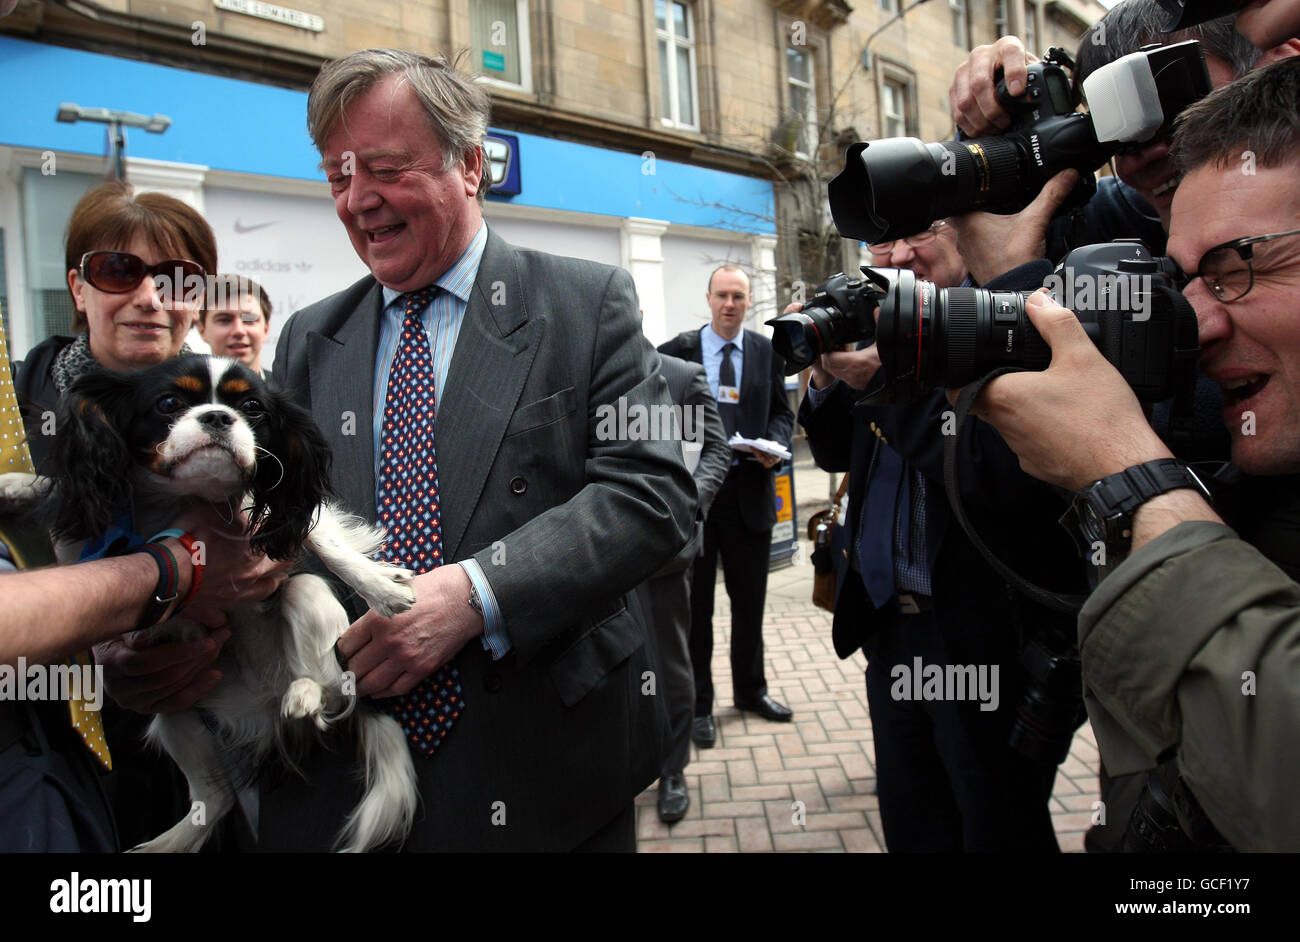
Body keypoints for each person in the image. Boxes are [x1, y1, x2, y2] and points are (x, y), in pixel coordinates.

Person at [261, 48, 694, 852]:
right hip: (352, 775)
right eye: (336, 176)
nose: (358, 201)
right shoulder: (308, 339)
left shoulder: (589, 301)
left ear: (469, 164)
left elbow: (653, 494)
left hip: (544, 770)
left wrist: (472, 598)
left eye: (386, 169)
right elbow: (282, 525)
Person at [949, 58, 1300, 851]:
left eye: (1239, 265)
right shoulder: (1254, 482)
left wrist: (1128, 476)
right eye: (1182, 280)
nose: (1197, 326)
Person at [12, 180, 287, 849]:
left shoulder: (238, 401)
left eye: (179, 280)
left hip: (208, 749)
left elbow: (301, 516)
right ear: (78, 288)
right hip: (46, 763)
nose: (149, 298)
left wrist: (272, 556)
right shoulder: (14, 409)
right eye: (117, 271)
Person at [797, 222, 1075, 851]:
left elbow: (989, 471)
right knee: (914, 821)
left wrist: (890, 383)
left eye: (914, 233)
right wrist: (822, 374)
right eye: (880, 242)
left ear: (961, 231)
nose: (896, 254)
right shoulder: (876, 322)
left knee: (996, 824)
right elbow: (838, 450)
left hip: (978, 639)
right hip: (890, 634)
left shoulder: (1010, 323)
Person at [946, 3, 1298, 284]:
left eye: (1181, 113)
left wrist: (1016, 286)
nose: (1139, 161)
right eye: (1117, 140)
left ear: (1283, 59)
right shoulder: (1116, 222)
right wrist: (993, 129)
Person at [658, 265, 796, 747]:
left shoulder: (765, 352)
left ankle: (751, 691)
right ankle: (698, 706)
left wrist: (774, 445)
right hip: (698, 500)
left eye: (739, 296)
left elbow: (782, 412)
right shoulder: (676, 352)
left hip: (752, 495)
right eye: (723, 295)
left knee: (750, 605)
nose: (730, 304)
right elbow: (654, 417)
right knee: (696, 611)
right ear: (709, 298)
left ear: (749, 301)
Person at [644, 352, 729, 823]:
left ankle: (672, 770)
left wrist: (687, 506)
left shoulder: (677, 377)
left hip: (664, 555)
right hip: (597, 554)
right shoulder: (586, 372)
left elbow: (715, 450)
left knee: (669, 663)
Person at [199, 273, 272, 378]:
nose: (239, 331)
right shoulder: (185, 393)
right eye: (224, 320)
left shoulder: (290, 392)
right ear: (202, 330)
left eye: (249, 320)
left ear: (266, 329)